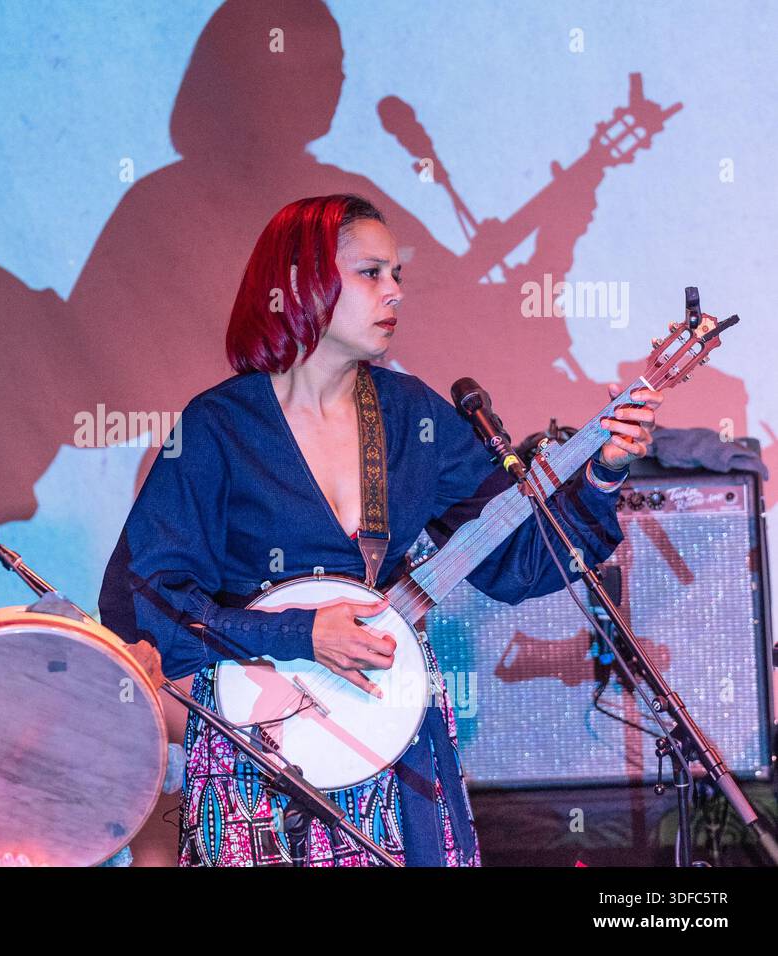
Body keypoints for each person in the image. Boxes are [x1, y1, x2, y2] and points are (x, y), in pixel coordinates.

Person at [98, 194, 662, 867]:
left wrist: (602, 474)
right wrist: (298, 633)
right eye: (371, 273)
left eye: (397, 275)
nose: (394, 291)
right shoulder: (219, 427)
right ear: (304, 280)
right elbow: (147, 599)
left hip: (388, 731)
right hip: (265, 742)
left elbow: (520, 562)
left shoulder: (411, 416)